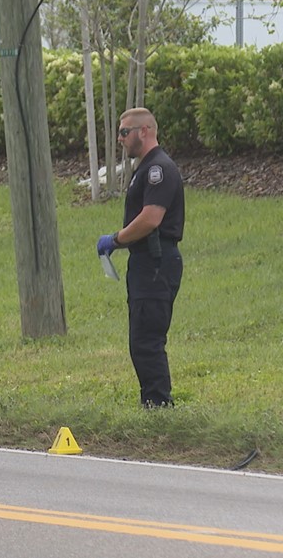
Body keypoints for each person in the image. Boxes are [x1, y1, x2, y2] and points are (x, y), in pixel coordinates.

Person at [96, 107, 185, 408]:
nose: (120, 139)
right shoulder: (146, 168)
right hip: (146, 262)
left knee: (147, 341)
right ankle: (153, 404)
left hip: (156, 263)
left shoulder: (158, 169)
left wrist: (116, 239)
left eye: (124, 132)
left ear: (144, 131)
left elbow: (150, 219)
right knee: (141, 340)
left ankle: (158, 407)